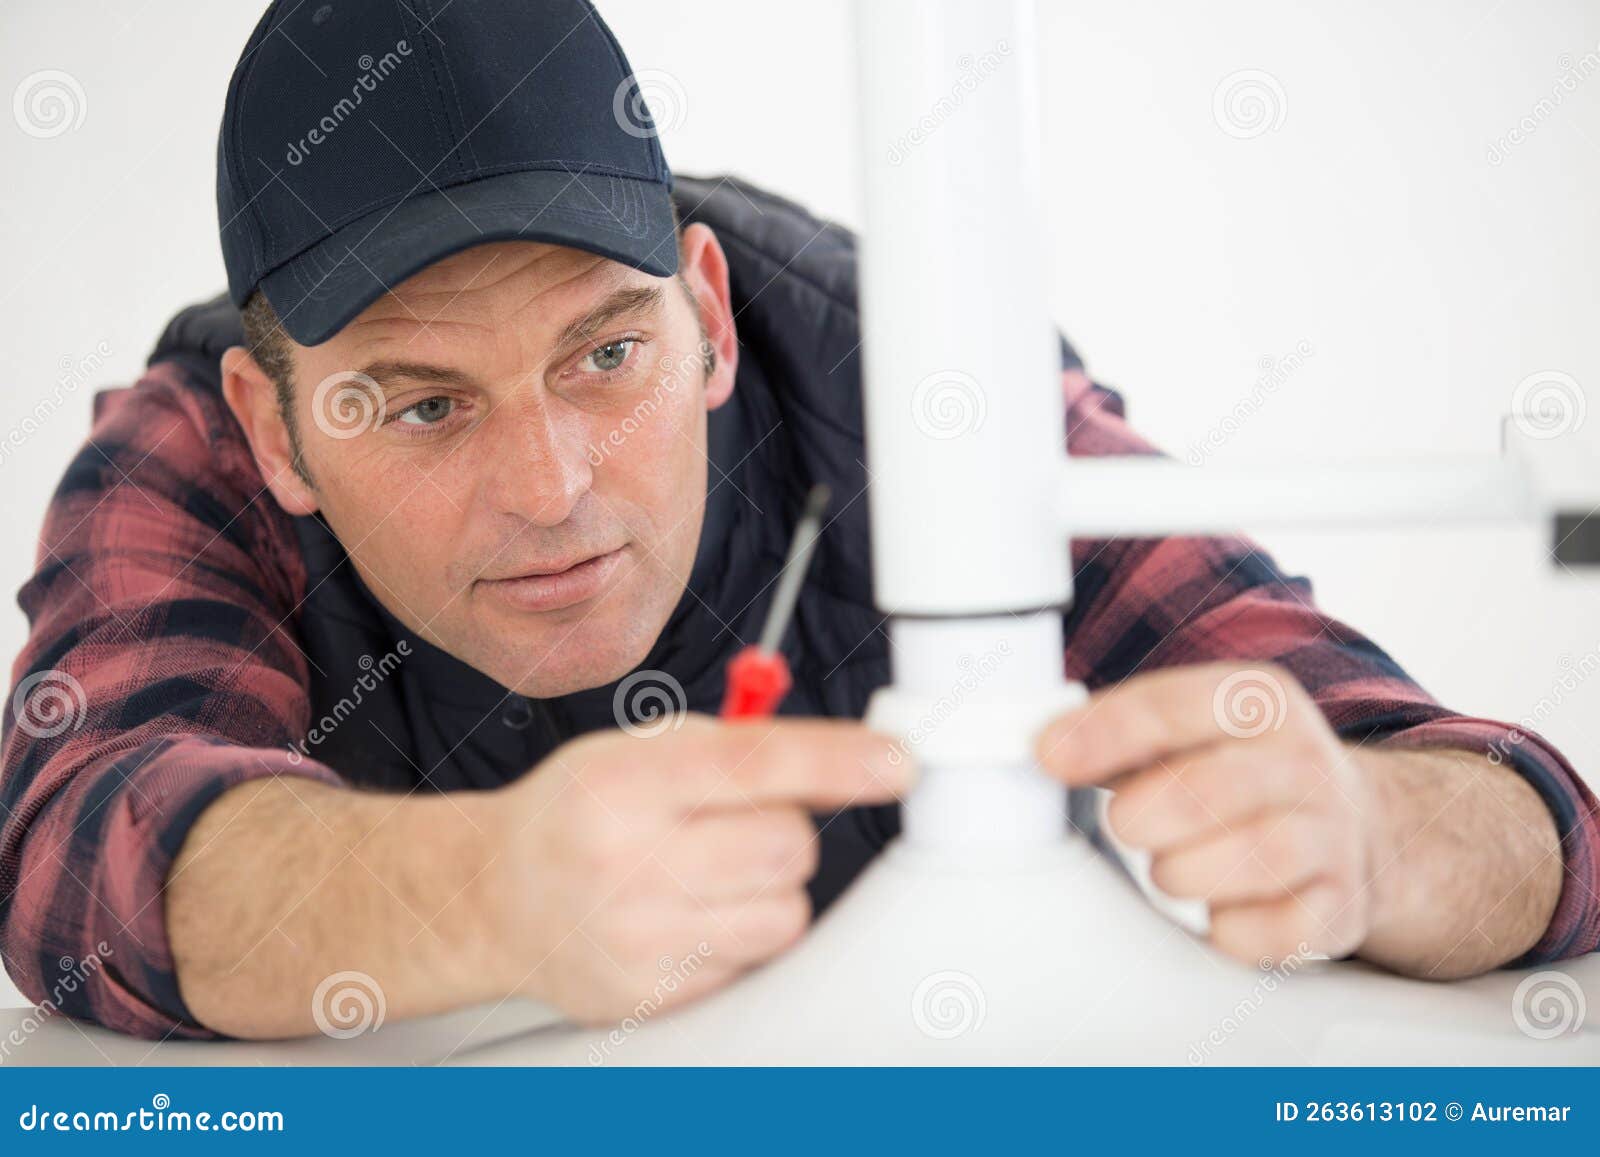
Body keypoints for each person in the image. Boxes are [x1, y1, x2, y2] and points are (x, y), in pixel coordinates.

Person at [2, 0, 1593, 1042]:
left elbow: (1528, 822)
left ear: (704, 313)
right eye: (424, 404)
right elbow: (75, 851)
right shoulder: (189, 452)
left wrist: (1373, 841)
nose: (552, 487)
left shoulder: (919, 378)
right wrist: (493, 892)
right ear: (278, 427)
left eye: (605, 354)